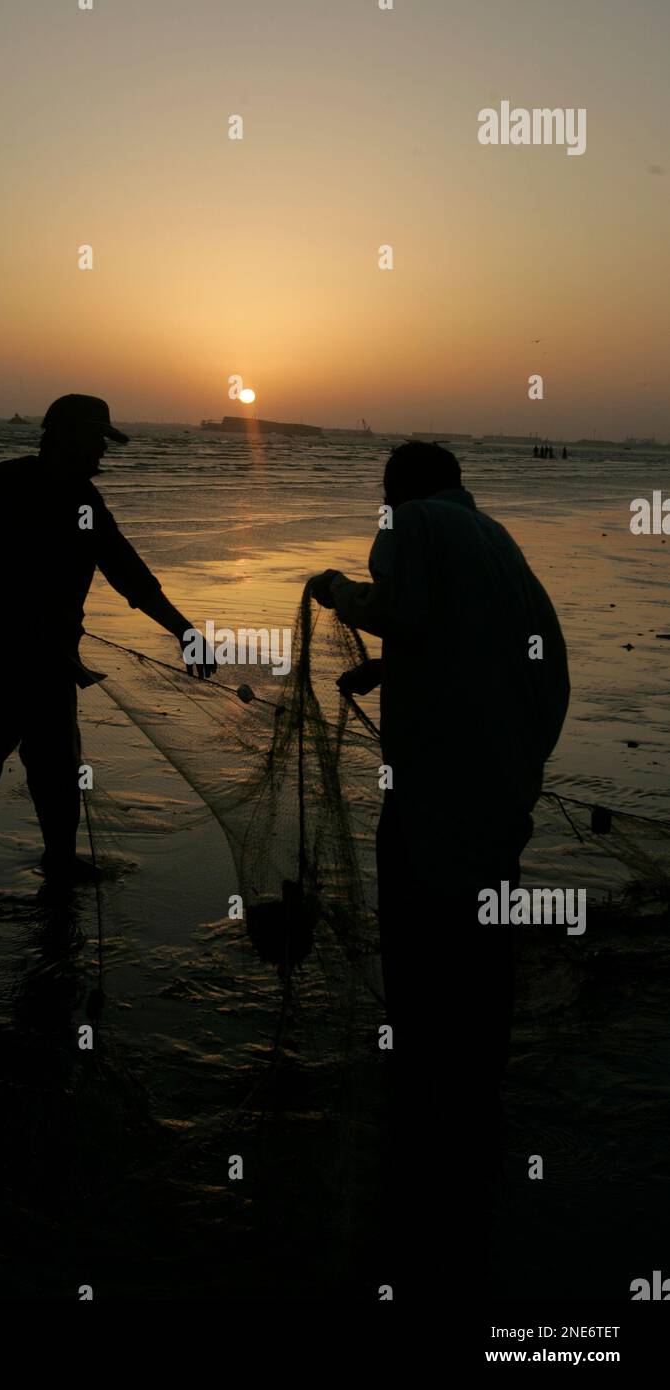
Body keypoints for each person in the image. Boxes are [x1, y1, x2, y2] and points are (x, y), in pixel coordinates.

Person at [309, 441, 569, 1297]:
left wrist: (339, 590)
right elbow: (492, 638)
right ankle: (475, 1073)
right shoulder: (489, 535)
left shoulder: (411, 523)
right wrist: (392, 669)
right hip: (505, 769)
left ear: (394, 490)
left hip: (452, 776)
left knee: (421, 917)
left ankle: (421, 1075)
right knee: (484, 916)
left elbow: (405, 610)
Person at [0, 394, 213, 898]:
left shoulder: (85, 502)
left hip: (49, 661)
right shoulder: (7, 485)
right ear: (62, 435)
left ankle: (58, 866)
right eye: (93, 440)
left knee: (58, 773)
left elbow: (127, 571)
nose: (100, 453)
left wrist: (185, 630)